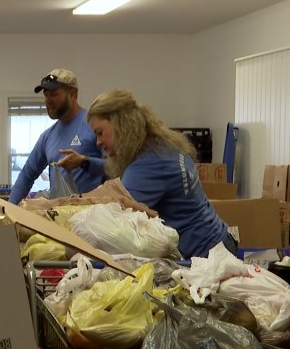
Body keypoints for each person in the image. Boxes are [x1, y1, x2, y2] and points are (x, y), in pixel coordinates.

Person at [86, 89, 235, 259]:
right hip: (217, 240)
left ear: (121, 124)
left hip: (207, 254)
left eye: (100, 133)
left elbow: (115, 220)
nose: (98, 142)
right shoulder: (160, 146)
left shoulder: (148, 164)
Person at [9, 69, 105, 204]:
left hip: (93, 213)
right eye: (46, 95)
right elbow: (26, 176)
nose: (48, 100)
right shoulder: (48, 136)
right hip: (60, 214)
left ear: (72, 94)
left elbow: (116, 168)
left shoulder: (94, 125)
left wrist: (84, 162)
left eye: (54, 94)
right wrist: (8, 209)